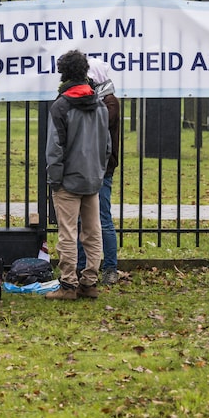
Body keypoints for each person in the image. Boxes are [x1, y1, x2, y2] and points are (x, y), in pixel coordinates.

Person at [45, 49, 110, 300]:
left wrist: (55, 178)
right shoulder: (100, 104)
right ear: (85, 71)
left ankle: (68, 285)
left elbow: (55, 147)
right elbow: (107, 146)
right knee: (93, 232)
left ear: (63, 73)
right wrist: (98, 171)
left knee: (68, 233)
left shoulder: (61, 105)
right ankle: (90, 282)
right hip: (93, 178)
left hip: (67, 181)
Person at [79, 57, 121, 286]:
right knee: (80, 220)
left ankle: (110, 267)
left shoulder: (110, 102)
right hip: (85, 166)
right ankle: (80, 265)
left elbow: (96, 123)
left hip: (103, 168)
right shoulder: (96, 100)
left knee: (102, 218)